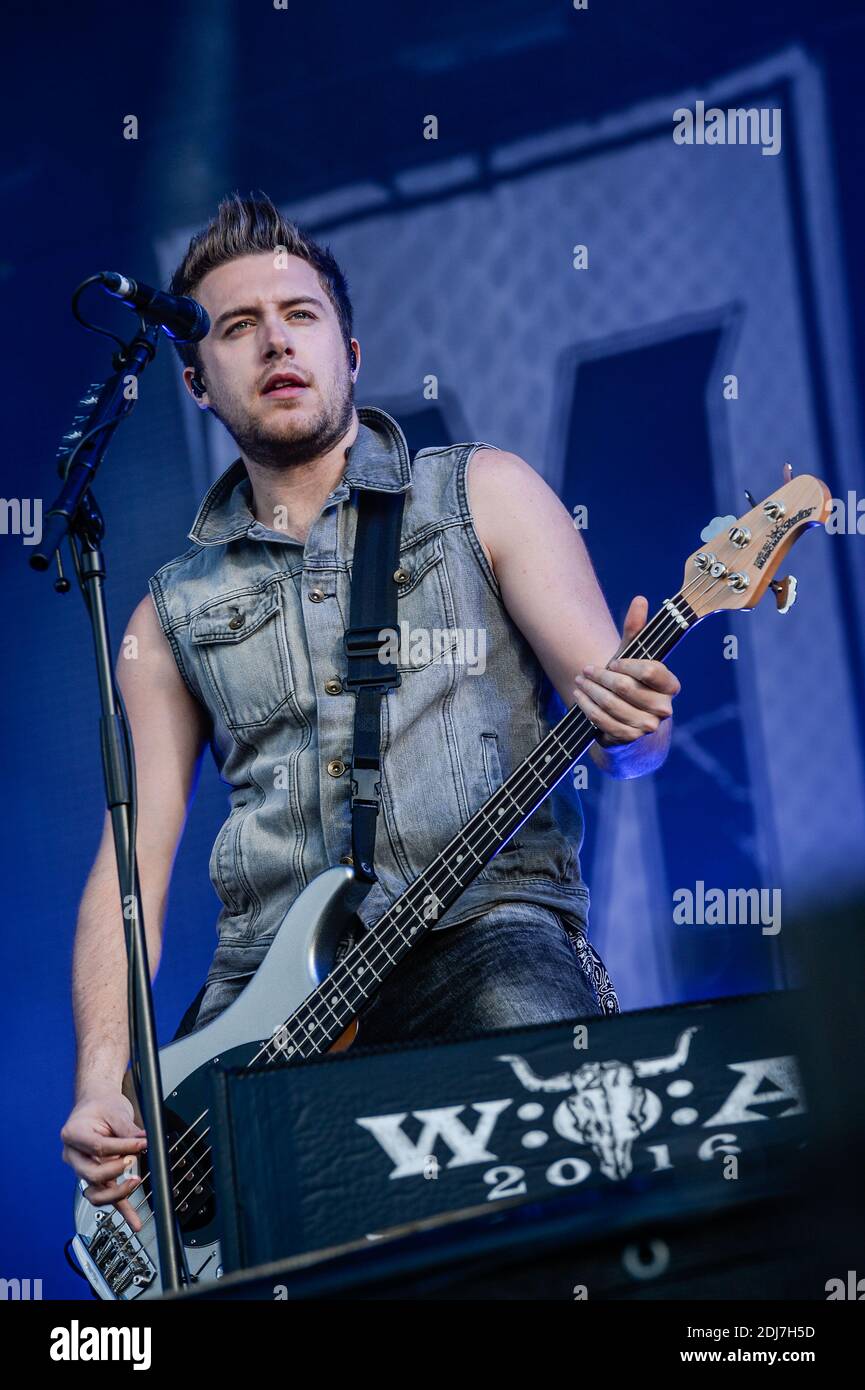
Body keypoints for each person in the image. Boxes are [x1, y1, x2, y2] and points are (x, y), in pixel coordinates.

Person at [60, 192, 681, 1232]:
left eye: (299, 316)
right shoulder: (166, 616)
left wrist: (638, 726)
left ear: (347, 347)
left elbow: (628, 741)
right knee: (220, 1245)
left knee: (578, 1172)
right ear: (195, 380)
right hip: (269, 996)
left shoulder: (484, 493)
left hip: (481, 930)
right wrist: (100, 1078)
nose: (274, 342)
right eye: (236, 327)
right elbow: (131, 867)